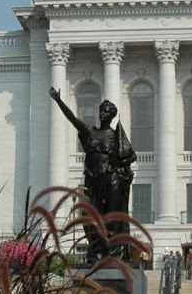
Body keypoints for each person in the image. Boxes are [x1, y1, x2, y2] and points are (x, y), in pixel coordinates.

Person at [49, 87, 137, 258]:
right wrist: (59, 101)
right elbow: (73, 120)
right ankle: (97, 247)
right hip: (93, 180)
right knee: (88, 216)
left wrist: (118, 164)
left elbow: (131, 155)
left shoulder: (115, 135)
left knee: (112, 216)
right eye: (102, 110)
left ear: (111, 116)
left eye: (107, 111)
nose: (103, 113)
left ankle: (114, 251)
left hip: (111, 179)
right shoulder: (90, 132)